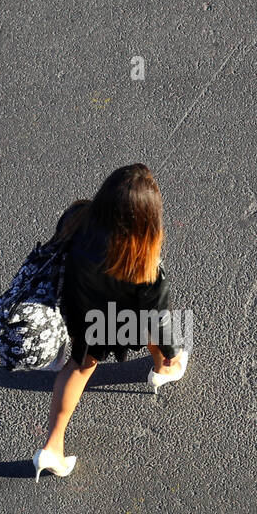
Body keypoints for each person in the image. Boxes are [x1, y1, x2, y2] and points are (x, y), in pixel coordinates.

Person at [33, 164, 188, 480]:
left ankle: (51, 448)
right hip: (114, 322)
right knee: (145, 320)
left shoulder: (75, 217)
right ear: (146, 218)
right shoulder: (143, 262)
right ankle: (164, 367)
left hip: (74, 308)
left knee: (77, 368)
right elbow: (158, 315)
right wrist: (170, 348)